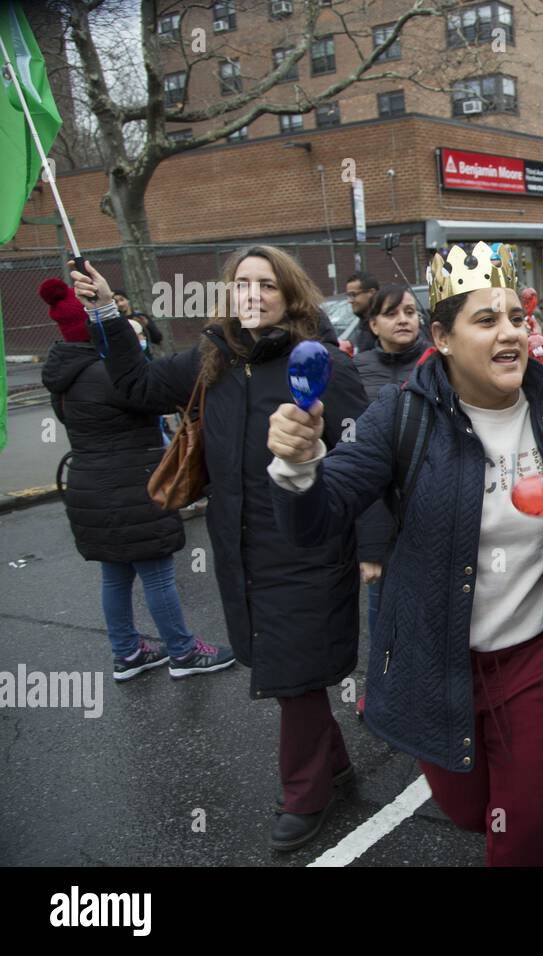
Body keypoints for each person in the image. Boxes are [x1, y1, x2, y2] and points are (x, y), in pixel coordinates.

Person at [266, 242, 543, 866]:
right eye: (486, 320)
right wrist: (297, 465)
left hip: (539, 662)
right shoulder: (401, 416)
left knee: (521, 833)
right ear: (443, 337)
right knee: (465, 809)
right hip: (436, 659)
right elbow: (317, 522)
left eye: (515, 317)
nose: (509, 333)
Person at [70, 246, 369, 853]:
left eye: (266, 284)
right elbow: (134, 384)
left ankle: (303, 795)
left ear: (289, 294)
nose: (252, 294)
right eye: (241, 283)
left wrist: (374, 546)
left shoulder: (321, 364)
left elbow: (364, 457)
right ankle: (333, 765)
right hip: (240, 553)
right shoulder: (212, 360)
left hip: (311, 547)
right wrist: (104, 311)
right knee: (290, 670)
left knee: (292, 672)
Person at [40, 281, 231, 682]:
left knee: (115, 574)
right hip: (133, 484)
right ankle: (183, 652)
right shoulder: (106, 372)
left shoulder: (65, 374)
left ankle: (127, 653)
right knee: (158, 573)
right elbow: (156, 395)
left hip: (89, 486)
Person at [352, 285, 430, 641]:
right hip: (379, 520)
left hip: (432, 510)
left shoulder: (439, 364)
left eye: (411, 312)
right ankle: (383, 691)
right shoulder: (355, 371)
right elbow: (356, 464)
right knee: (384, 617)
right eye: (392, 313)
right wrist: (369, 546)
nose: (403, 320)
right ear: (373, 325)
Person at [345, 271, 381, 352]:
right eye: (348, 296)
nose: (350, 301)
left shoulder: (385, 325)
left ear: (372, 293)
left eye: (353, 295)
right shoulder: (362, 324)